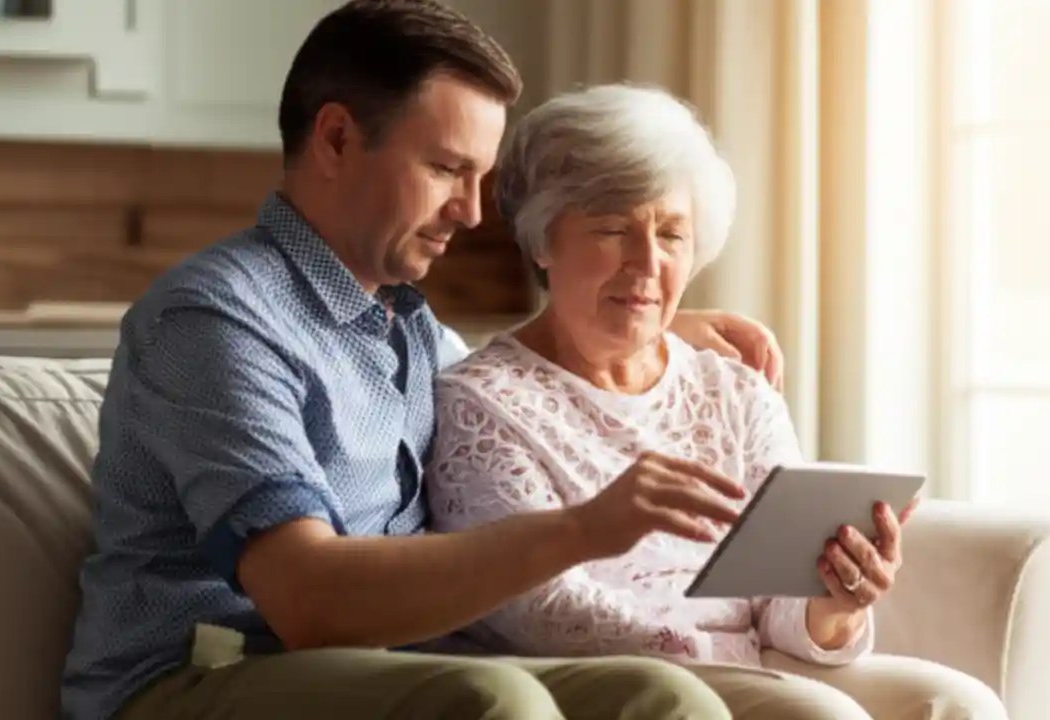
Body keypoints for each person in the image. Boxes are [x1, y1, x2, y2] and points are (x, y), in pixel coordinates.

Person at [60, 3, 785, 719]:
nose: (472, 213)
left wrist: (644, 321)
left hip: (384, 670)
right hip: (206, 673)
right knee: (492, 699)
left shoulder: (407, 325)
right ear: (338, 139)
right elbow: (307, 599)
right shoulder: (216, 321)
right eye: (446, 169)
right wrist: (580, 530)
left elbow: (522, 374)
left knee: (660, 695)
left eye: (480, 178)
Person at [427, 84, 1009, 720]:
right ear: (543, 240)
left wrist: (835, 605)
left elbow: (782, 606)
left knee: (959, 703)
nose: (647, 263)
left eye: (673, 235)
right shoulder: (482, 402)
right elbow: (534, 606)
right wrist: (711, 650)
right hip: (609, 679)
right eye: (613, 229)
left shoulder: (734, 390)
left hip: (748, 665)